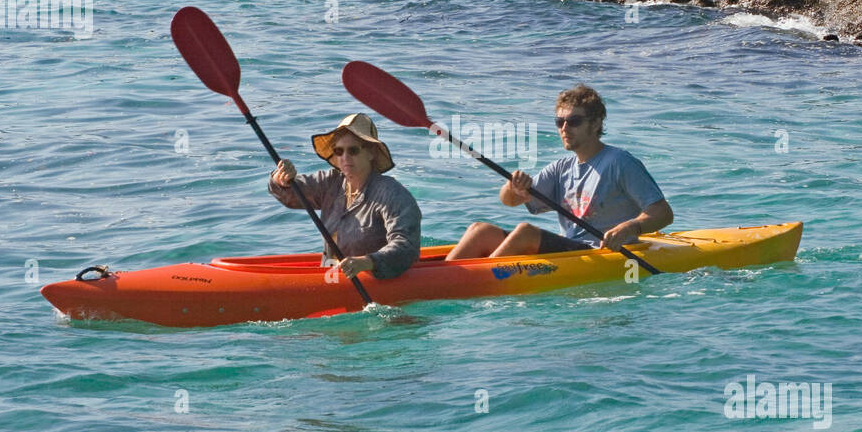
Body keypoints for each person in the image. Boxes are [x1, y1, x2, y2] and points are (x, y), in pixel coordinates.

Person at [446, 84, 672, 260]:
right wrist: (512, 186)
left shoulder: (619, 162)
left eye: (574, 121)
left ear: (595, 124)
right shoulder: (561, 168)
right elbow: (509, 201)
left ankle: (475, 283)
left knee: (526, 232)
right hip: (571, 249)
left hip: (601, 252)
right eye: (559, 121)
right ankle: (443, 278)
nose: (564, 128)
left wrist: (631, 226)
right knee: (480, 230)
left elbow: (663, 213)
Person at [270, 112, 421, 279]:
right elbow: (291, 195)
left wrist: (366, 262)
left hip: (375, 278)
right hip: (331, 275)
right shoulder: (329, 182)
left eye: (353, 150)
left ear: (371, 153)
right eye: (339, 151)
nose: (345, 157)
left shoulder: (391, 192)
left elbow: (407, 246)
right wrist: (281, 179)